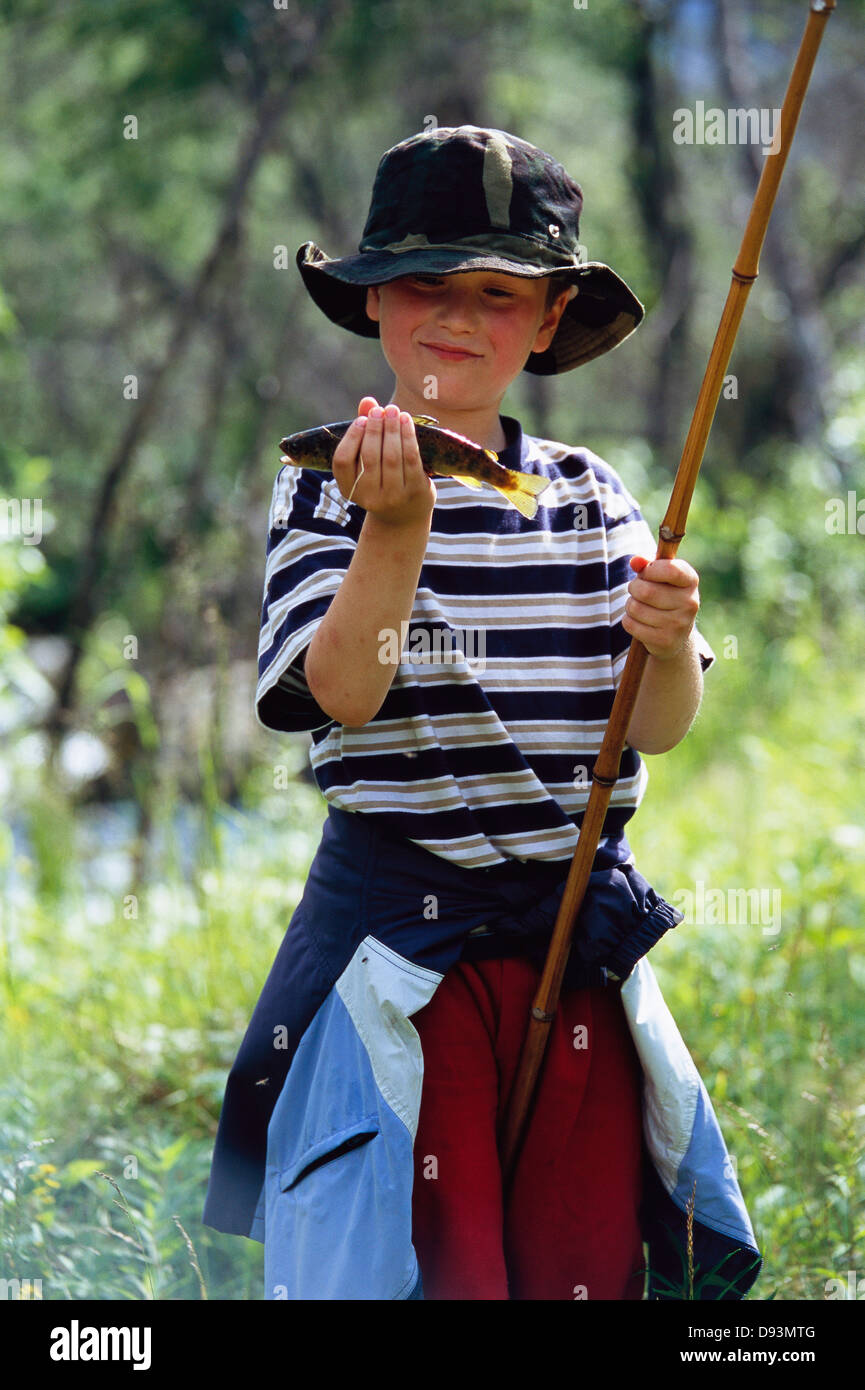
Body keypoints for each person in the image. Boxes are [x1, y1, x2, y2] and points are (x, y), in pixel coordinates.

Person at [202, 125, 761, 1300]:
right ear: (370, 305)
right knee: (427, 1259)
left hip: (573, 942)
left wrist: (666, 644)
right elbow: (340, 695)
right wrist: (393, 535)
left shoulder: (586, 497)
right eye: (424, 286)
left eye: (498, 295)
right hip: (405, 959)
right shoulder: (325, 481)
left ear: (550, 320)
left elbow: (655, 724)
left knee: (576, 1256)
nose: (457, 319)